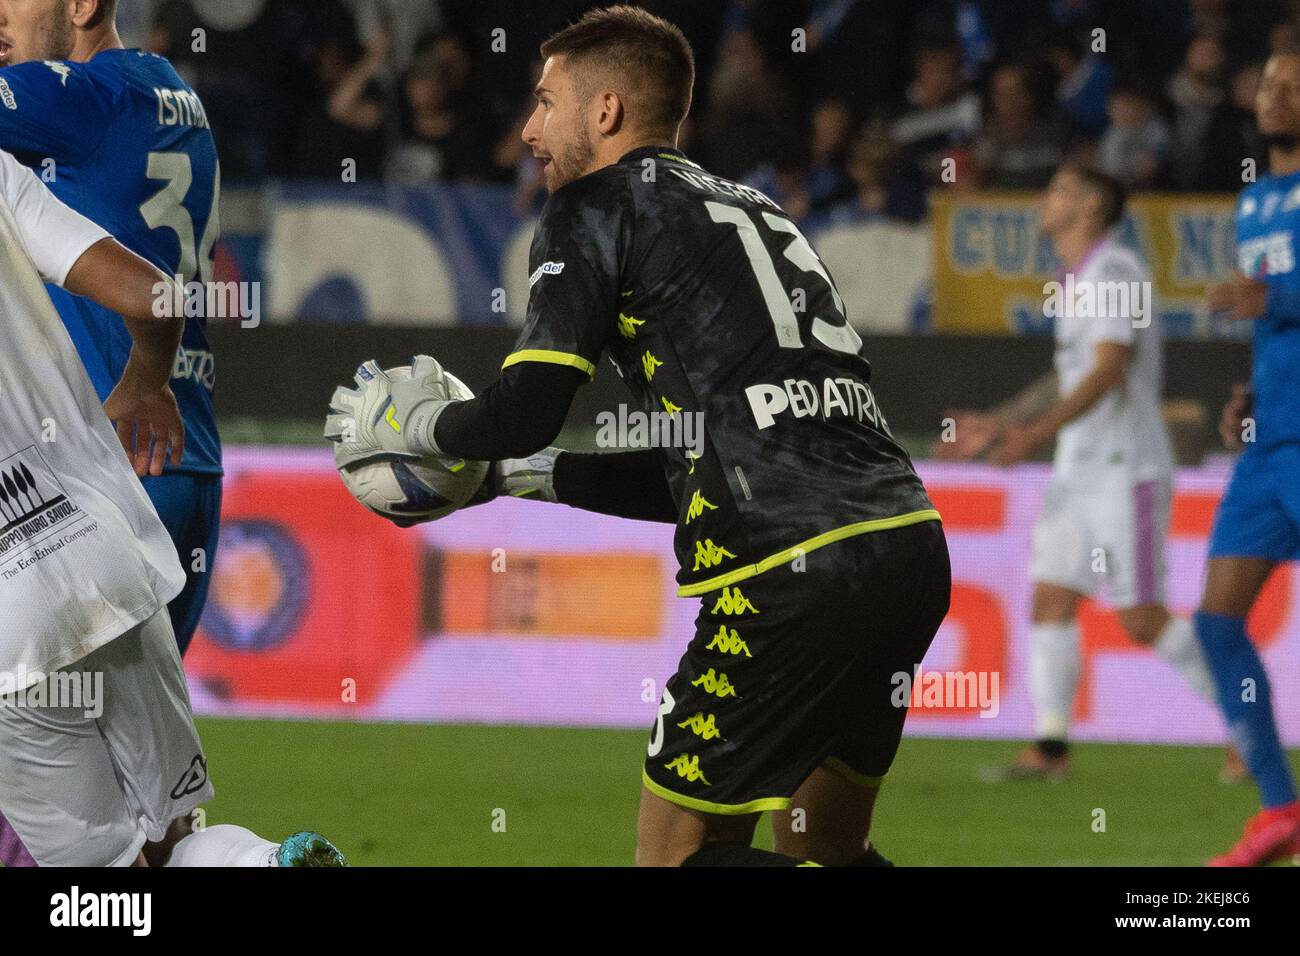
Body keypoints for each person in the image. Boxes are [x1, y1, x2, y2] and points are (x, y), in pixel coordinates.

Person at [327, 5, 950, 867]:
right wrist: (519, 475)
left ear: (607, 111)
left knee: (676, 859)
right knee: (826, 843)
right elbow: (714, 465)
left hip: (787, 571)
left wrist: (423, 427)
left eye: (546, 103)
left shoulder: (595, 205)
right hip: (905, 545)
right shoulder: (758, 211)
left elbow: (528, 402)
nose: (528, 130)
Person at [0, 146, 343, 867]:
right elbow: (156, 296)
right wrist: (147, 383)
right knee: (175, 836)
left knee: (104, 885)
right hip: (99, 547)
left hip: (8, 632)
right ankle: (265, 862)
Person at [0, 0, 227, 866]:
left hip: (96, 473)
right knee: (155, 817)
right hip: (186, 470)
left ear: (84, 4)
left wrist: (139, 379)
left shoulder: (77, 98)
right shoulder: (173, 94)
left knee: (66, 823)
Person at [937, 164, 1222, 781]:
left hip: (1126, 469)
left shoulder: (1115, 270)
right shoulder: (1077, 279)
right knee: (1049, 600)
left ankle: (1246, 730)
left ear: (1091, 206)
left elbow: (1110, 368)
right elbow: (1068, 374)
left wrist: (1033, 435)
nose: (1046, 200)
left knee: (1141, 618)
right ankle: (1051, 748)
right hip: (1079, 470)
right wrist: (997, 421)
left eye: (1059, 191)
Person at [1194, 50, 1300, 867]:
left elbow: (1277, 302)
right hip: (1274, 445)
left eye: (1294, 82)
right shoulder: (1256, 201)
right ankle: (1279, 809)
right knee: (1217, 620)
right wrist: (1253, 396)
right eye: (1266, 82)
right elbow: (1276, 329)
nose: (1277, 94)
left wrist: (1277, 297)